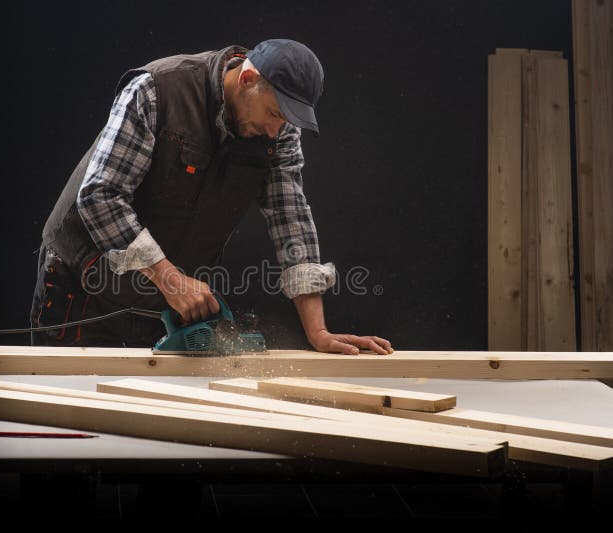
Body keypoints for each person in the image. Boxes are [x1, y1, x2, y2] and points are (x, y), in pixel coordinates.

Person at [30, 38, 393, 355]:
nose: (274, 129)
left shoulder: (279, 131)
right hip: (85, 290)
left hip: (162, 300)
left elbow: (291, 220)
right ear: (247, 79)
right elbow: (99, 195)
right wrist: (171, 279)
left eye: (285, 121)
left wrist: (318, 333)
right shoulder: (158, 90)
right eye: (273, 113)